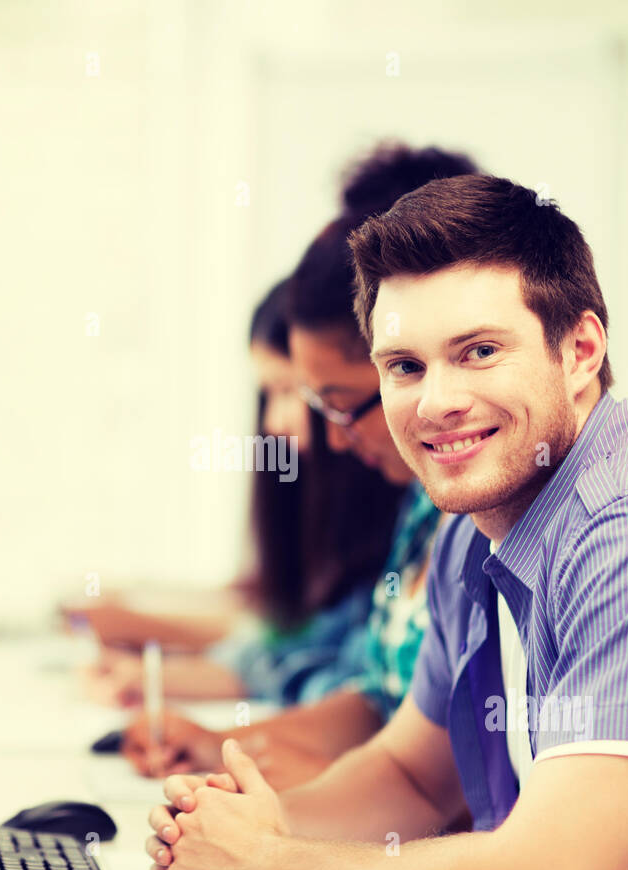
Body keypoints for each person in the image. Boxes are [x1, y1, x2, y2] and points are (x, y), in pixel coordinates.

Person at [143, 174, 628, 870]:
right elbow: (410, 775)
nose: (436, 402)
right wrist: (254, 826)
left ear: (580, 352)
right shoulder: (474, 529)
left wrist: (268, 867)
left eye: (477, 352)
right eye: (405, 366)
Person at [122, 144, 480, 788]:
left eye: (326, 402)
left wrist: (286, 798)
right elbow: (383, 710)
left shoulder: (511, 513)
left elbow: (461, 793)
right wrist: (230, 749)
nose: (316, 435)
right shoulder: (427, 504)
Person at [76, 276, 404, 709]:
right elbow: (283, 627)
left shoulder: (401, 508)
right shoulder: (349, 512)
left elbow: (341, 677)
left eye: (288, 391)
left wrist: (154, 657)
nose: (273, 423)